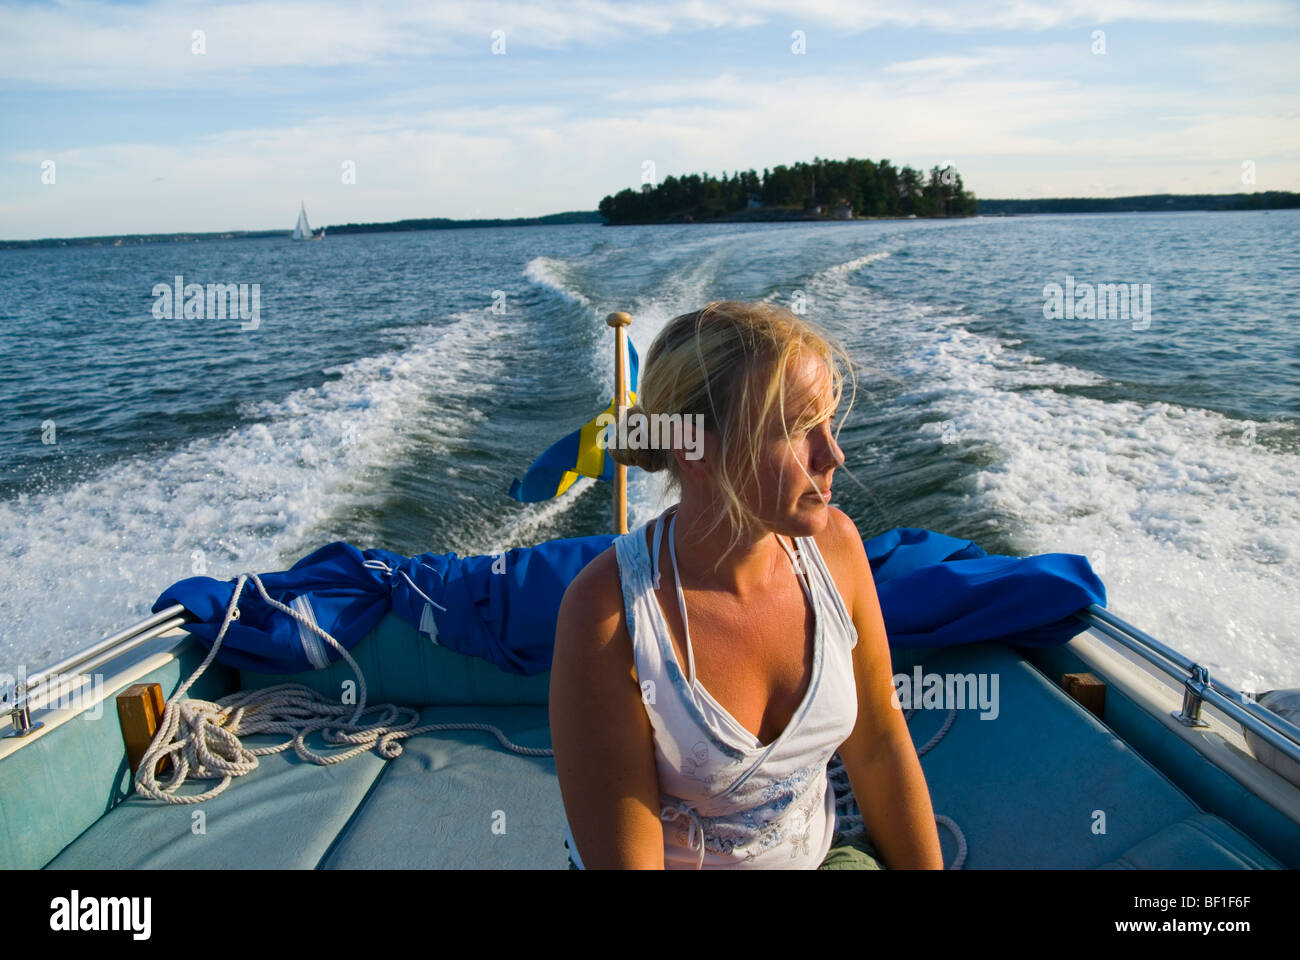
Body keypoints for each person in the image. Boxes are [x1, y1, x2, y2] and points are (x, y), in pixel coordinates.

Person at [549, 300, 943, 869]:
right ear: (695, 449)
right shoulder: (609, 615)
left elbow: (881, 747)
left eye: (828, 423)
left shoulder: (836, 549)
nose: (833, 454)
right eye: (798, 429)